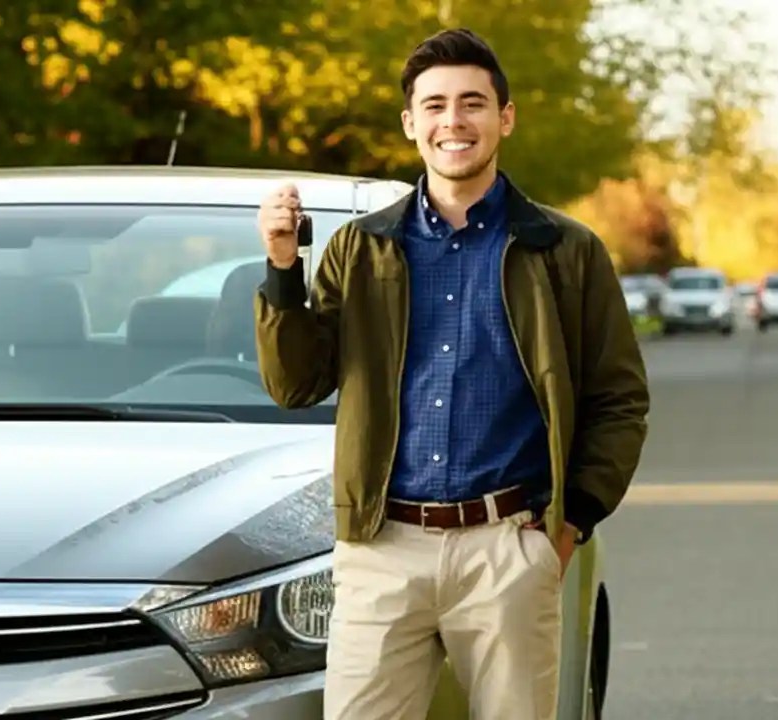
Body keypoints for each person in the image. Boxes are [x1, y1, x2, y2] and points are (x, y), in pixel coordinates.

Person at [253, 27, 650, 720]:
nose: (453, 121)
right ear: (411, 124)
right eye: (434, 106)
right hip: (381, 548)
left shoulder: (565, 252)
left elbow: (618, 400)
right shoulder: (363, 247)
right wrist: (284, 268)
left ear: (505, 117)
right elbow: (295, 384)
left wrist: (568, 528)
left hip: (509, 547)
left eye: (472, 103)